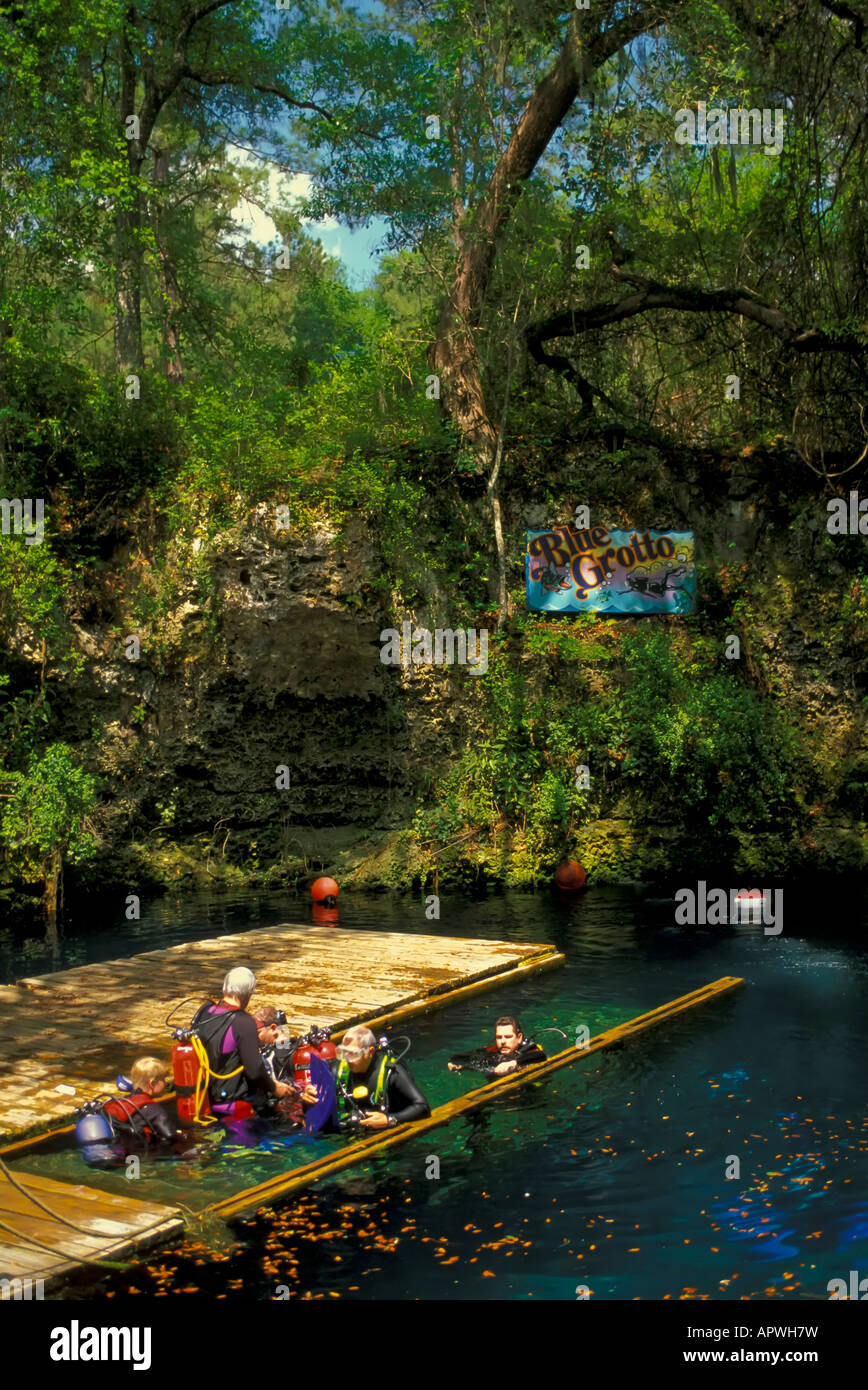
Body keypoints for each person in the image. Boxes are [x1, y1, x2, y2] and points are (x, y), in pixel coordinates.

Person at [192, 966, 294, 1119]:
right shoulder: (243, 1022)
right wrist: (274, 1087)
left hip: (206, 1101)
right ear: (248, 993)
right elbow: (255, 1071)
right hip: (235, 1106)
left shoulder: (205, 1012)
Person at [303, 1025, 429, 1130]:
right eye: (344, 1053)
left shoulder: (392, 1072)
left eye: (353, 1054)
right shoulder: (335, 1070)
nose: (347, 1060)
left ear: (371, 1051)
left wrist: (390, 1119)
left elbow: (422, 1106)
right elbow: (316, 1110)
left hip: (385, 1133)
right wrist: (307, 1101)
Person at [102, 1056, 178, 1141]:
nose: (166, 1083)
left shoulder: (125, 1100)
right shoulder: (155, 1111)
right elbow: (172, 1138)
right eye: (163, 1079)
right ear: (152, 1084)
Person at [447, 1016, 547, 1076]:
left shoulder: (530, 1050)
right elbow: (461, 1056)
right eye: (499, 1037)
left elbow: (541, 1055)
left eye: (508, 1037)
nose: (503, 1041)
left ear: (519, 1037)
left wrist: (515, 1062)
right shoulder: (494, 1050)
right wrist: (458, 1063)